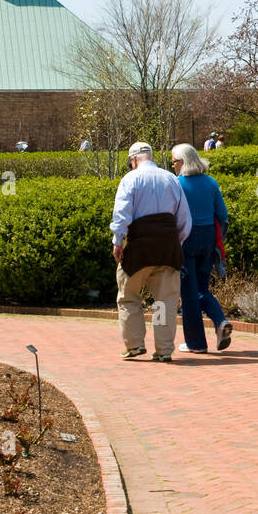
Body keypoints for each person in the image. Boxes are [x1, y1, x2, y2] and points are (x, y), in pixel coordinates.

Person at [110, 141, 192, 362]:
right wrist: (177, 244)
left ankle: (134, 346)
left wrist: (118, 242)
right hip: (168, 248)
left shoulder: (130, 179)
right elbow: (184, 219)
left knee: (128, 297)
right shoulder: (171, 179)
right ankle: (164, 350)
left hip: (138, 248)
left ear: (134, 160)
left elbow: (122, 215)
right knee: (164, 302)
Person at [170, 143, 234, 354]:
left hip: (187, 239)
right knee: (201, 289)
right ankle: (220, 321)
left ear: (183, 162)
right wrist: (219, 240)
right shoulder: (210, 182)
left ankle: (196, 343)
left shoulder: (177, 184)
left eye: (174, 162)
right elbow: (223, 216)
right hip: (208, 239)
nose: (173, 167)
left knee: (189, 292)